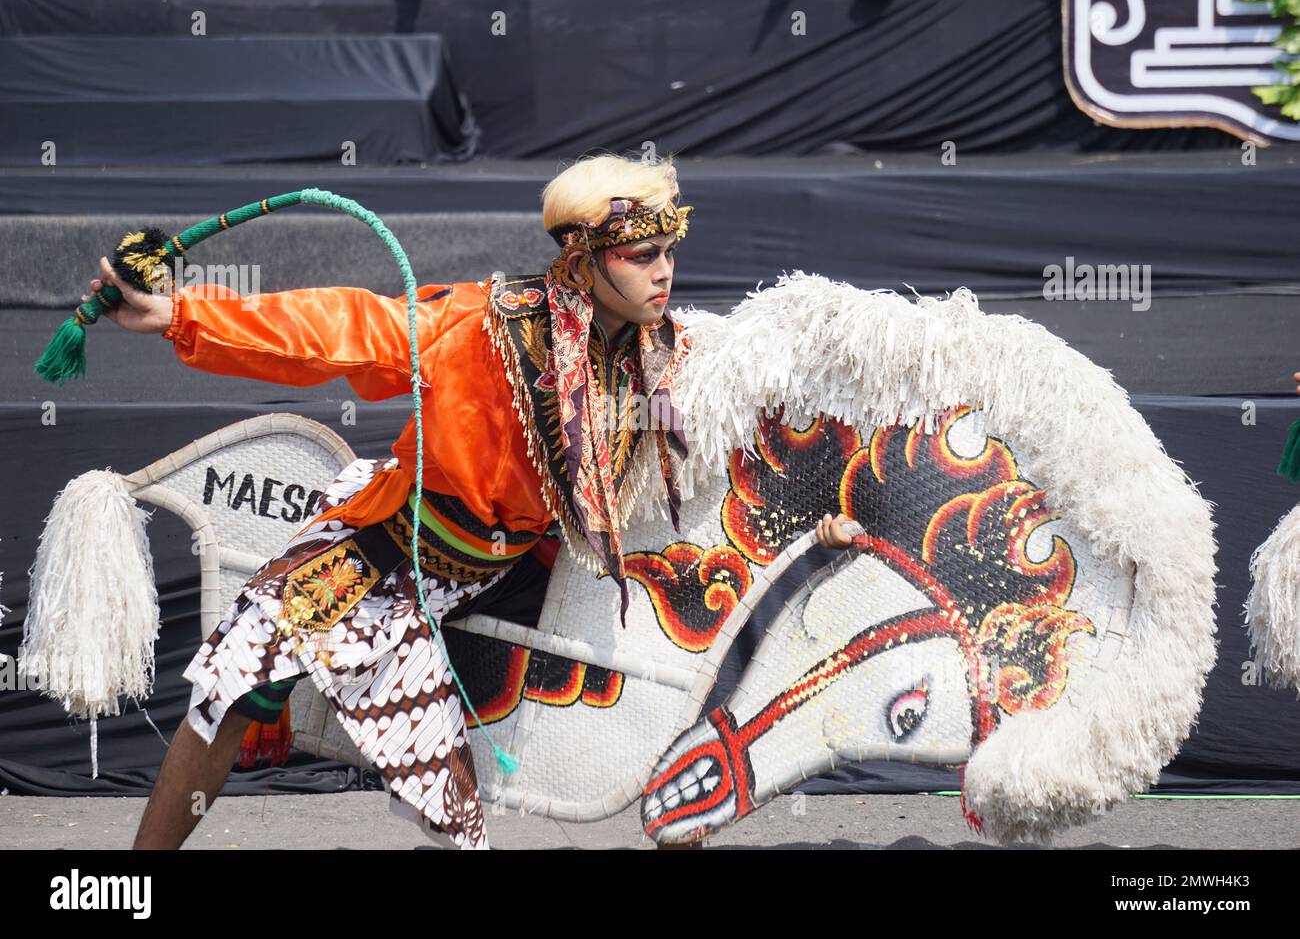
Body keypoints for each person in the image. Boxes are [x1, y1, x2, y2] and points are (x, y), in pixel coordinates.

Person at [88, 152, 859, 850]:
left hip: (530, 562)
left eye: (669, 252)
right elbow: (344, 329)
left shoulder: (669, 355)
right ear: (583, 256)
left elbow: (767, 422)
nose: (664, 272)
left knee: (662, 665)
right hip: (395, 549)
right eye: (642, 254)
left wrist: (826, 507)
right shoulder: (478, 329)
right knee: (239, 673)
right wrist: (178, 315)